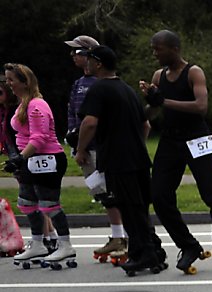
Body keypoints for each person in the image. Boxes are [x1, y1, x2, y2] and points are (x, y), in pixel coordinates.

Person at [140, 30, 212, 274]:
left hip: (197, 137)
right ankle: (188, 245)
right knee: (159, 195)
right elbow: (152, 112)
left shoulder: (193, 72)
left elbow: (201, 107)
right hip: (171, 140)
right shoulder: (158, 76)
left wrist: (163, 101)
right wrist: (149, 100)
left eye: (158, 48)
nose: (155, 53)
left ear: (174, 49)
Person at [75, 46, 167, 276]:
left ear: (98, 64)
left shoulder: (99, 89)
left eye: (90, 59)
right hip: (138, 158)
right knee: (140, 208)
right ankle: (154, 251)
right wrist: (135, 144)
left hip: (118, 159)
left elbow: (90, 123)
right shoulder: (126, 89)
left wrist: (80, 149)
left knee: (128, 207)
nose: (86, 63)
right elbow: (145, 124)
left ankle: (142, 254)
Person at [5, 63, 77, 269]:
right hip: (30, 160)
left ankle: (65, 245)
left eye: (11, 79)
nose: (8, 84)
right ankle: (37, 243)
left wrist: (19, 158)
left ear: (25, 82)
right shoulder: (23, 104)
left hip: (47, 159)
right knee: (26, 203)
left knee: (49, 205)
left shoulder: (37, 105)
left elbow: (39, 137)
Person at [64, 35, 128, 264]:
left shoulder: (103, 83)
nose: (72, 56)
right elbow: (73, 112)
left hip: (100, 148)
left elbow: (97, 120)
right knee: (101, 194)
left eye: (77, 52)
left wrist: (83, 145)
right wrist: (73, 139)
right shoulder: (79, 83)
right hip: (83, 146)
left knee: (113, 193)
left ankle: (126, 237)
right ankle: (117, 235)